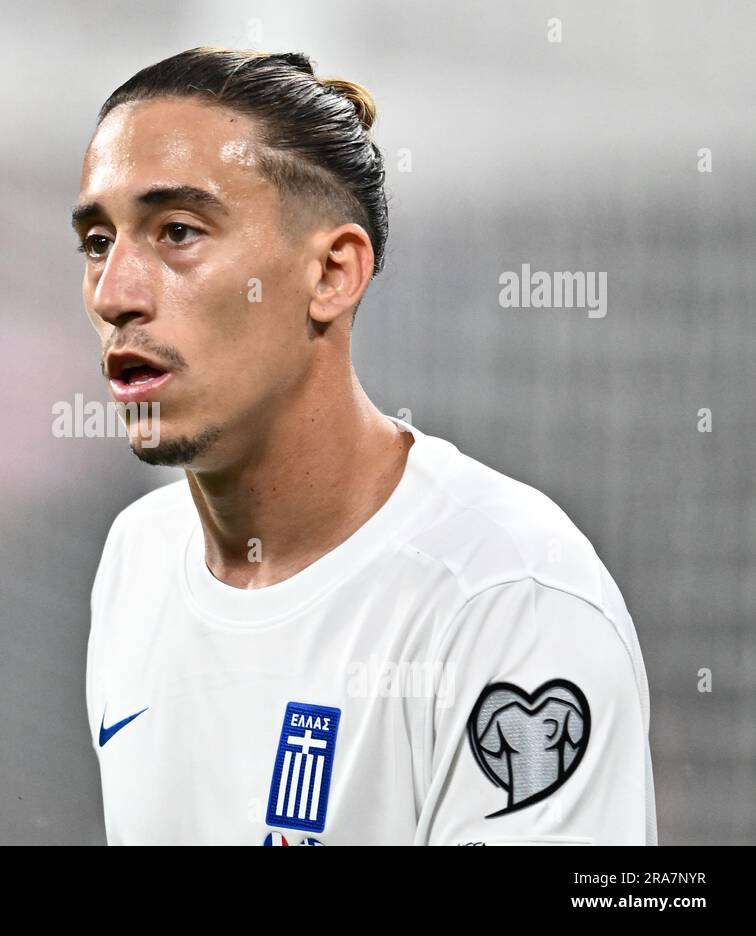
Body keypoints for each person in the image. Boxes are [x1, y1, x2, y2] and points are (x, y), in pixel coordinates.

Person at [73, 46, 656, 845]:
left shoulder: (508, 598)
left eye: (177, 231)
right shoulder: (134, 559)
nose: (114, 294)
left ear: (333, 274)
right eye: (98, 242)